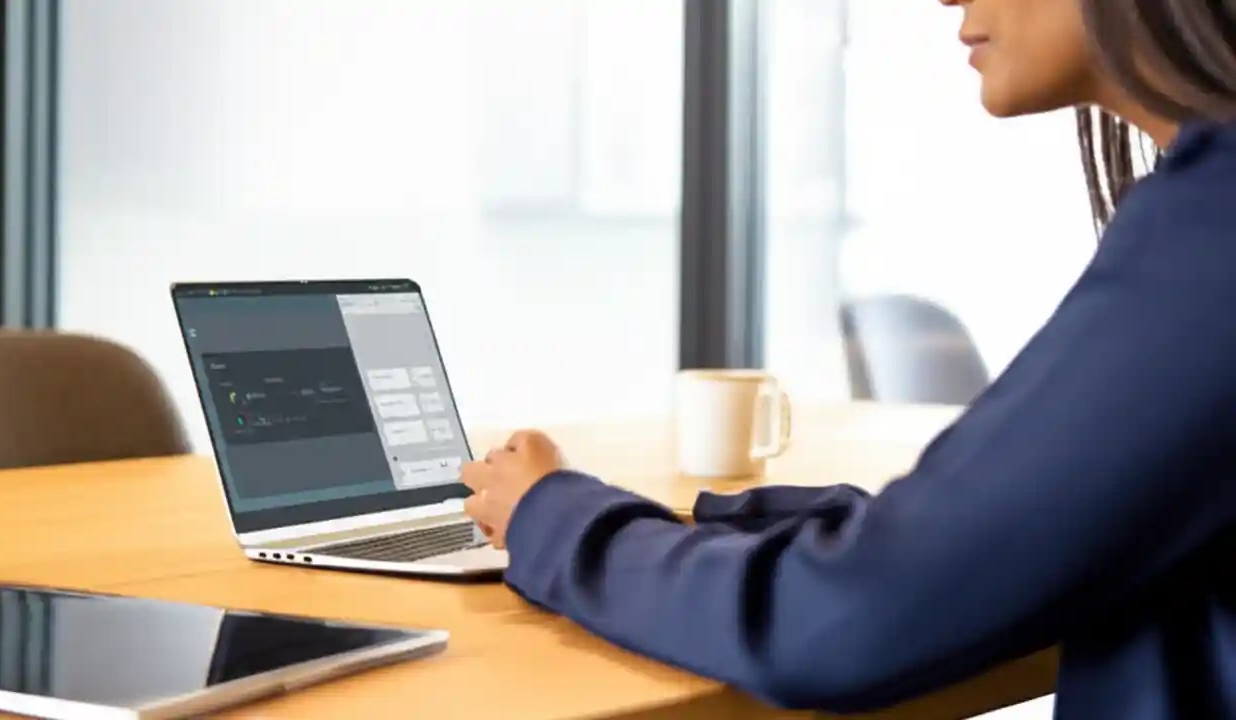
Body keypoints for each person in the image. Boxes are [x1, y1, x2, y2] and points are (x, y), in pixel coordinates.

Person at [461, 0, 1236, 716]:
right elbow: (991, 541)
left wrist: (558, 522)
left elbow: (849, 619)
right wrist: (699, 520)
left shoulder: (1213, 232)